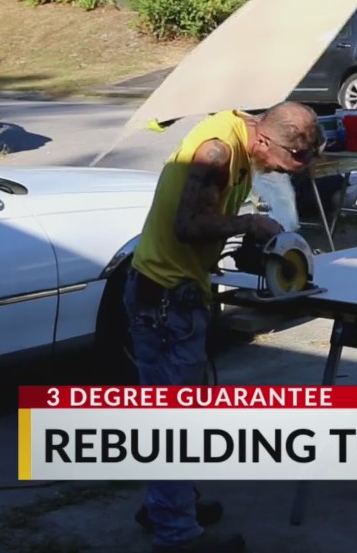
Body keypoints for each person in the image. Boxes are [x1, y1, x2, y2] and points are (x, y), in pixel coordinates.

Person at [124, 102, 320, 553]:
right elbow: (189, 224)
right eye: (294, 159)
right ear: (266, 140)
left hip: (169, 292)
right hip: (166, 299)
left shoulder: (238, 136)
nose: (294, 169)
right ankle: (177, 536)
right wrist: (248, 223)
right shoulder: (216, 151)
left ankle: (167, 506)